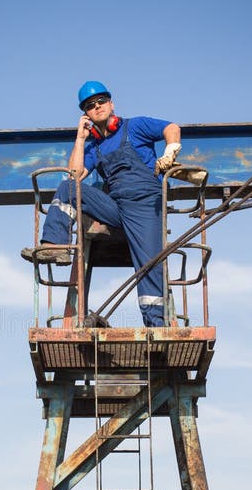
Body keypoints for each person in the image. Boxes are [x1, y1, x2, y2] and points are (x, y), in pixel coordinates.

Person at [21, 81, 182, 327]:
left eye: (101, 102)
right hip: (117, 207)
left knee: (149, 265)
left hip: (146, 205)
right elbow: (75, 174)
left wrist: (170, 151)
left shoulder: (135, 126)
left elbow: (171, 127)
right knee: (68, 188)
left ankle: (156, 326)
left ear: (111, 103)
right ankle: (55, 246)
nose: (97, 107)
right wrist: (80, 138)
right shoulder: (95, 147)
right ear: (86, 113)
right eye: (90, 106)